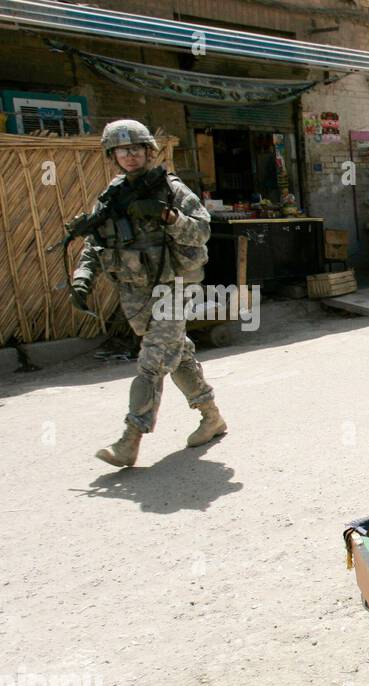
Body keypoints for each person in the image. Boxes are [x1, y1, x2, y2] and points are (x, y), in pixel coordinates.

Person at [72, 119, 225, 469]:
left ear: (148, 151)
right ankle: (211, 417)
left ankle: (130, 440)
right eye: (122, 150)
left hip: (174, 286)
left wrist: (168, 216)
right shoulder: (112, 195)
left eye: (136, 148)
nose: (129, 156)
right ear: (113, 155)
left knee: (153, 362)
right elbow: (96, 241)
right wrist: (83, 275)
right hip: (135, 290)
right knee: (177, 353)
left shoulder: (170, 188)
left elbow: (202, 231)